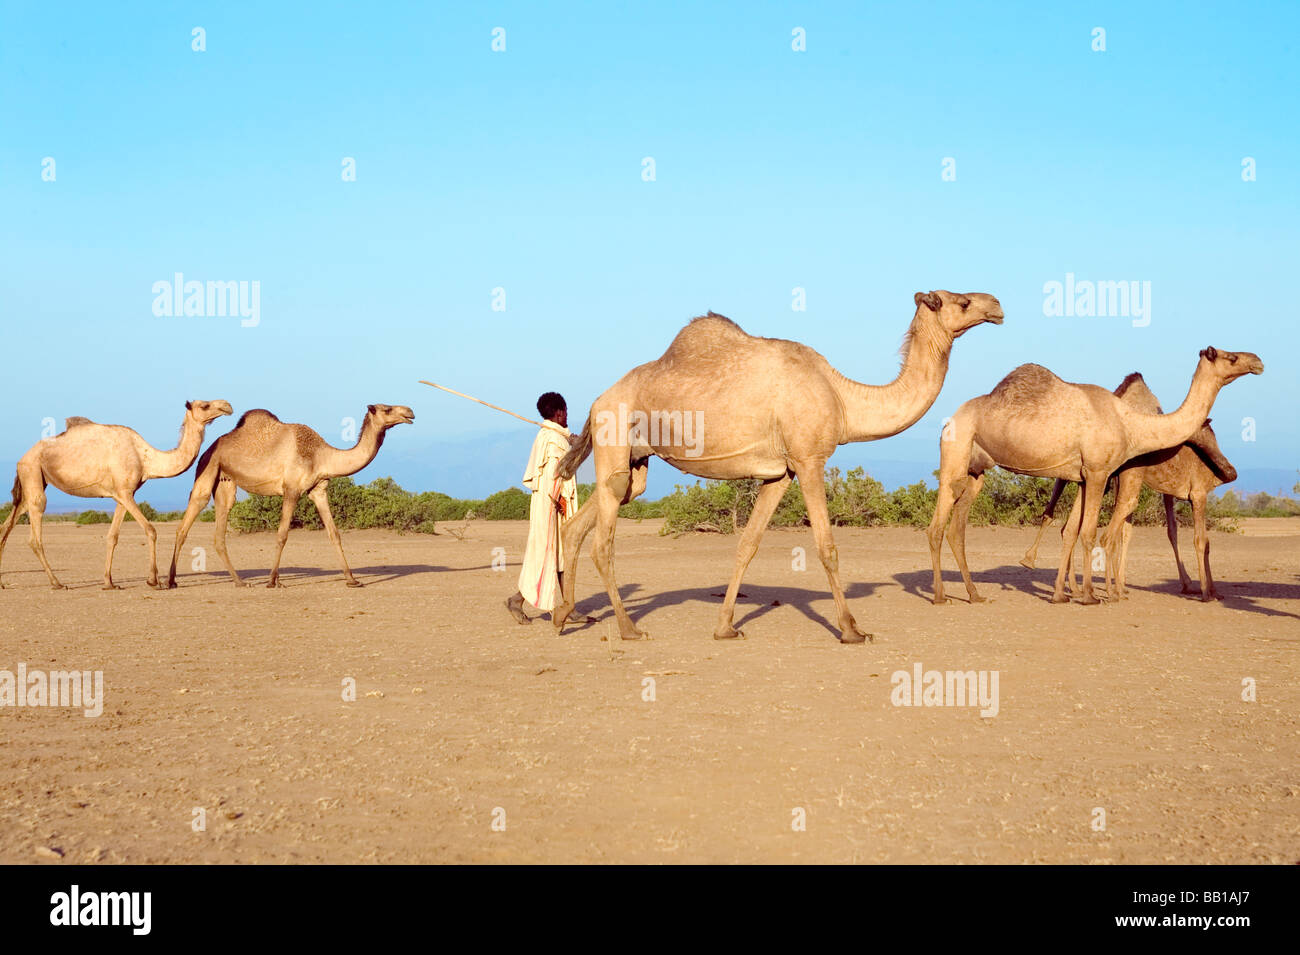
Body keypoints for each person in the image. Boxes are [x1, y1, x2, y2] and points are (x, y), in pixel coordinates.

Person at [506, 392, 590, 625]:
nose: (566, 417)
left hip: (553, 504)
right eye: (565, 413)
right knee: (545, 556)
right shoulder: (551, 439)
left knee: (562, 555)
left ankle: (568, 606)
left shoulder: (555, 436)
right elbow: (554, 474)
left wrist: (573, 443)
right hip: (551, 505)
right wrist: (559, 501)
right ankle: (516, 600)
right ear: (560, 412)